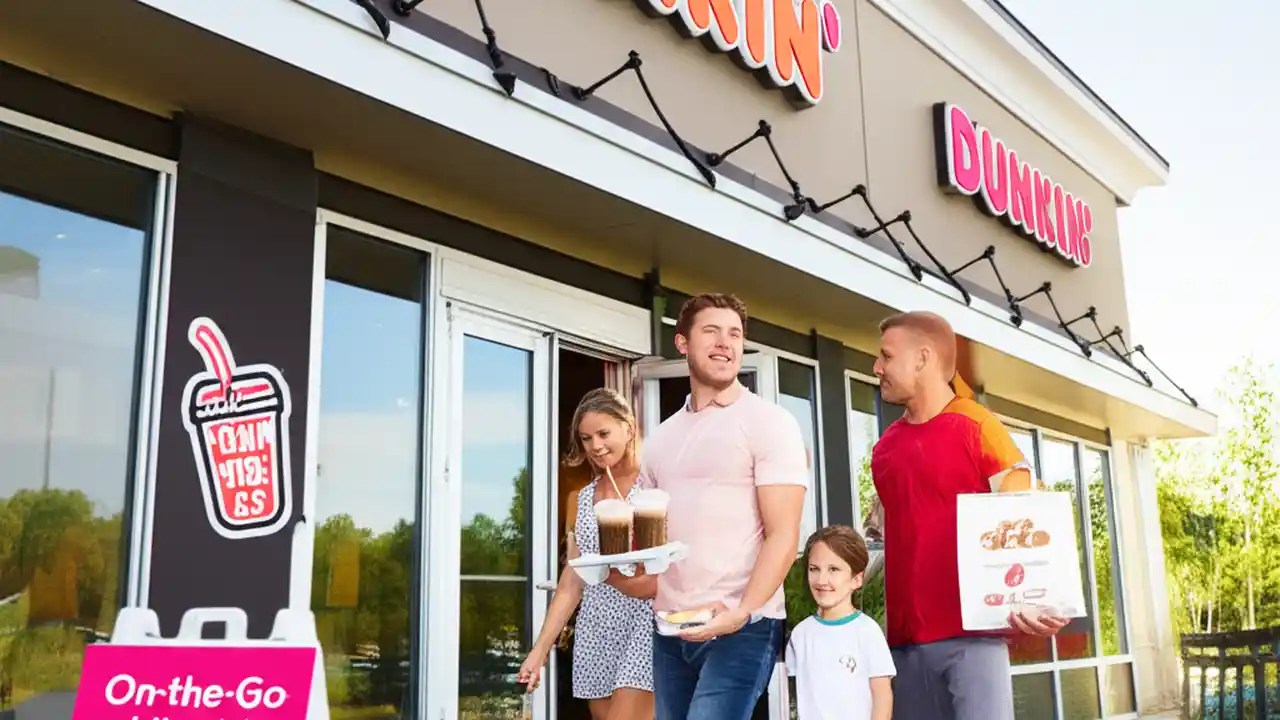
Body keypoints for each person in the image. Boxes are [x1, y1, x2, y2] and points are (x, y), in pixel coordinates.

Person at [866, 310, 1068, 720]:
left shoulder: (977, 426)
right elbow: (878, 538)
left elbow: (1025, 518)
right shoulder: (885, 448)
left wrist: (1044, 600)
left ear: (922, 358)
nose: (877, 367)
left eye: (886, 356)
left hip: (974, 640)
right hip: (903, 648)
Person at [639, 292, 809, 720]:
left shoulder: (770, 423)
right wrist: (609, 571)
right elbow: (651, 547)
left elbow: (784, 534)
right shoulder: (659, 438)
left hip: (742, 626)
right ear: (682, 343)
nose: (725, 343)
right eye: (711, 331)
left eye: (734, 334)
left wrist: (742, 613)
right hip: (670, 627)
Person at [517, 388, 655, 720]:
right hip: (596, 629)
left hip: (645, 622)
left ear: (628, 428)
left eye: (603, 434)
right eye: (586, 438)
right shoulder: (581, 499)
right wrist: (540, 651)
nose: (595, 445)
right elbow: (571, 582)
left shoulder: (654, 485)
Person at [785, 525, 895, 720]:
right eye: (814, 569)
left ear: (856, 579)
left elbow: (882, 696)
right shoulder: (800, 634)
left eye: (833, 569)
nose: (821, 580)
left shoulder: (867, 631)